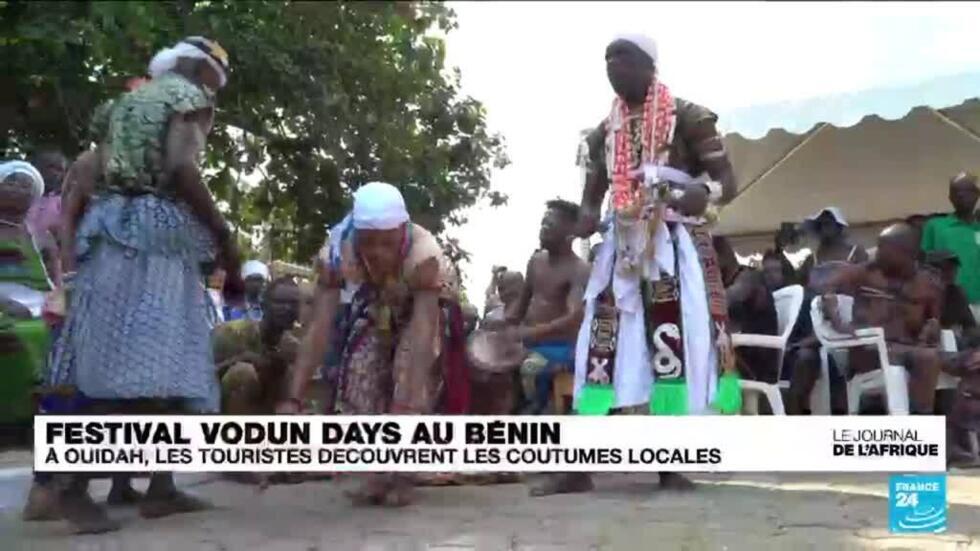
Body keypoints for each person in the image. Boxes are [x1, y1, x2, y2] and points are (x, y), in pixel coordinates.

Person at [46, 37, 239, 533]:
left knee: (138, 362)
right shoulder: (189, 98)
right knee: (144, 367)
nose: (218, 82)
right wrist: (222, 233)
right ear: (200, 67)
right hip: (153, 238)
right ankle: (72, 486)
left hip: (110, 230)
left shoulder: (122, 104)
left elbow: (98, 168)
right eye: (217, 72)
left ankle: (159, 486)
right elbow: (181, 168)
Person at [566, 34, 738, 496]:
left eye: (622, 58)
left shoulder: (690, 116)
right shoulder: (604, 132)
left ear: (648, 66)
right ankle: (579, 466)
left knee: (672, 348)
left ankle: (671, 464)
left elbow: (726, 182)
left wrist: (703, 194)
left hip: (675, 244)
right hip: (620, 251)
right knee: (598, 350)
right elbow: (590, 201)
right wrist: (579, 222)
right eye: (606, 59)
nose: (612, 66)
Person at [279, 182, 469, 507]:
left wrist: (406, 400)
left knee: (407, 381)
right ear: (356, 233)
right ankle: (376, 474)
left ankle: (402, 473)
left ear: (402, 230)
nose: (378, 251)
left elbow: (422, 334)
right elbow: (318, 328)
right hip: (378, 304)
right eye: (370, 242)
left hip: (424, 308)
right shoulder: (338, 252)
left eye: (388, 242)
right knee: (359, 375)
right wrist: (293, 399)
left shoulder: (425, 256)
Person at [819, 224, 945, 415]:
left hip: (909, 348)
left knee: (943, 359)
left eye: (885, 248)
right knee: (926, 357)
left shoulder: (927, 284)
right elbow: (825, 286)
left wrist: (931, 327)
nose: (878, 253)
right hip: (869, 351)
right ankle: (918, 423)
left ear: (907, 253)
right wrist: (837, 320)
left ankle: (931, 423)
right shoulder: (866, 273)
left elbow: (934, 320)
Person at [507, 200, 590, 416]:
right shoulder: (535, 261)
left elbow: (575, 317)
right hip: (531, 343)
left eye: (550, 225)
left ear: (569, 232)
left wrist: (534, 332)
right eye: (542, 224)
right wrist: (503, 323)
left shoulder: (579, 269)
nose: (542, 229)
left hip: (563, 349)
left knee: (529, 367)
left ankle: (539, 408)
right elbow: (521, 306)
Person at [214, 277, 302, 416]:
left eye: (294, 303)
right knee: (242, 372)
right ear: (263, 304)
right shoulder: (230, 333)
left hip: (268, 412)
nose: (288, 308)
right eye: (280, 302)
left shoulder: (294, 348)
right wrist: (241, 359)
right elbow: (200, 376)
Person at [715, 237, 779, 387]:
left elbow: (726, 299)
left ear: (724, 257)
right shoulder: (728, 279)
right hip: (740, 351)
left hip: (757, 361)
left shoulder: (749, 277)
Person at [921, 173, 980, 321]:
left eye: (967, 191)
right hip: (949, 306)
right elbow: (922, 264)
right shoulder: (935, 226)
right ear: (950, 197)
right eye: (956, 192)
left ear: (977, 194)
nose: (961, 195)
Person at [798, 207, 869, 289]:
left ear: (839, 227)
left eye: (828, 224)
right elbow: (802, 288)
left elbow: (865, 282)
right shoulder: (812, 259)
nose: (824, 229)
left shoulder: (856, 253)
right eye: (820, 225)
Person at [924, 250, 980, 348]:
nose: (950, 272)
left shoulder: (957, 294)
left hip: (949, 342)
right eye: (944, 268)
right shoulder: (918, 292)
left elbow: (969, 325)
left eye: (953, 268)